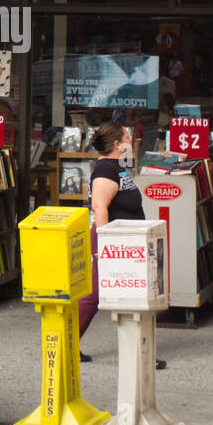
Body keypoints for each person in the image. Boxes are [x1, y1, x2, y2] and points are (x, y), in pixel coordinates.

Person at [79, 122, 167, 366]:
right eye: (127, 136)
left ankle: (141, 353)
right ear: (117, 144)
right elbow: (99, 207)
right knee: (94, 294)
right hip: (114, 243)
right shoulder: (105, 170)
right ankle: (64, 344)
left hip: (126, 243)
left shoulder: (116, 167)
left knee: (132, 295)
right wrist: (104, 248)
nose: (131, 139)